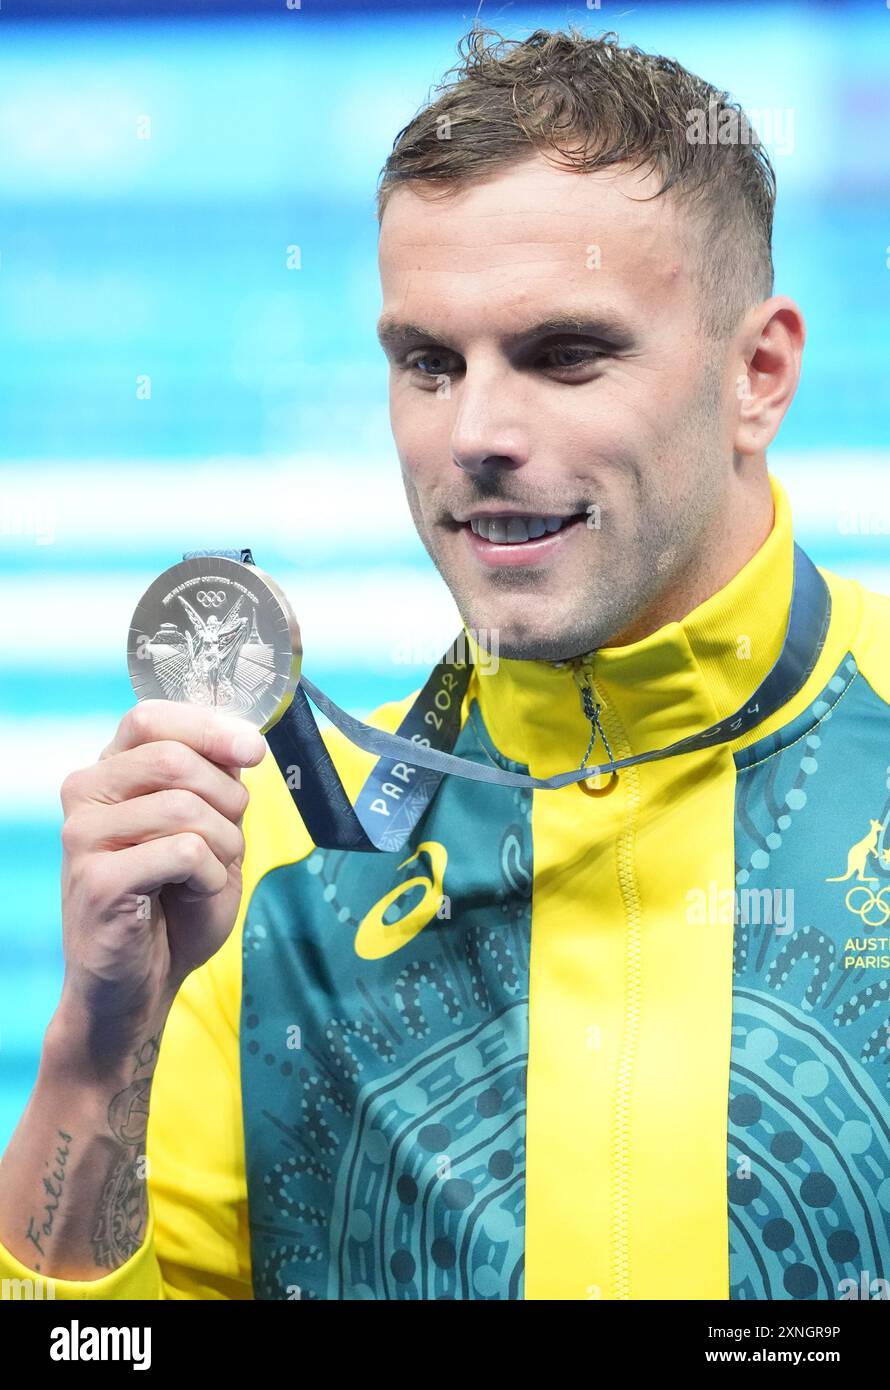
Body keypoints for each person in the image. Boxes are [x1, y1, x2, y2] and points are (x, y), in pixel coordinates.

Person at [1, 23, 888, 1302]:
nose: (475, 433)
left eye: (563, 353)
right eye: (428, 362)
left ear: (757, 376)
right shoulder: (251, 858)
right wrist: (101, 1048)